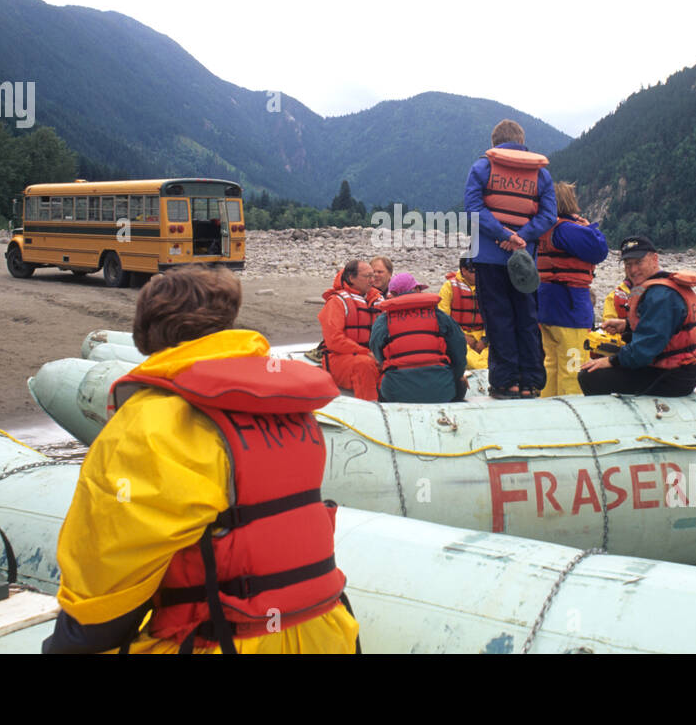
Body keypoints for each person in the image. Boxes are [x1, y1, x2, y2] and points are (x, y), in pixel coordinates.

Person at [44, 265, 359, 654]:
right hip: (325, 630)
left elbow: (109, 569)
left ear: (144, 335)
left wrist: (69, 643)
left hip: (222, 640)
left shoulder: (152, 420)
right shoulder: (288, 408)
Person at [464, 118, 556, 399]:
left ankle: (506, 384)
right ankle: (530, 384)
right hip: (524, 259)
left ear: (494, 143)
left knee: (498, 319)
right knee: (526, 318)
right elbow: (548, 216)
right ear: (521, 141)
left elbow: (473, 210)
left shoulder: (482, 167)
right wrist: (522, 237)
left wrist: (503, 233)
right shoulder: (541, 175)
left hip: (490, 257)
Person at [578, 236, 696, 396]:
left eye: (638, 262)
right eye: (628, 265)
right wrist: (626, 325)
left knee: (589, 376)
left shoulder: (662, 295)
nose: (633, 270)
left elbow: (644, 351)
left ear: (654, 259)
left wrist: (610, 361)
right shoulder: (662, 286)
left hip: (674, 377)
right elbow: (659, 327)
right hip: (686, 369)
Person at [536, 182, 609, 396]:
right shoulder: (566, 229)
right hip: (569, 305)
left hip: (545, 303)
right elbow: (599, 250)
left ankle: (548, 408)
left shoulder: (541, 229)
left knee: (551, 362)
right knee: (573, 366)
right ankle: (571, 414)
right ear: (569, 201)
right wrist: (588, 228)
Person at [370, 272, 469, 403]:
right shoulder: (439, 316)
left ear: (392, 295)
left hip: (396, 393)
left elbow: (376, 350)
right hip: (441, 391)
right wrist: (456, 375)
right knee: (461, 383)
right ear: (416, 290)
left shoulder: (383, 320)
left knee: (381, 385)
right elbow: (459, 349)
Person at [318, 260, 383, 400]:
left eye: (373, 276)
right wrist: (367, 353)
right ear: (351, 278)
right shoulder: (337, 301)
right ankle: (369, 408)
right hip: (339, 358)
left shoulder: (378, 300)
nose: (372, 280)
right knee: (364, 365)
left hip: (371, 355)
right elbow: (334, 340)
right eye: (367, 276)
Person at [438, 257, 488, 369]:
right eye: (473, 271)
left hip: (483, 337)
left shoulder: (488, 287)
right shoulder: (449, 286)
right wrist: (461, 336)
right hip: (460, 336)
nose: (477, 274)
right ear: (463, 270)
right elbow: (443, 318)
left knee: (497, 357)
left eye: (479, 270)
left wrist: (485, 340)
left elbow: (494, 316)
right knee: (470, 361)